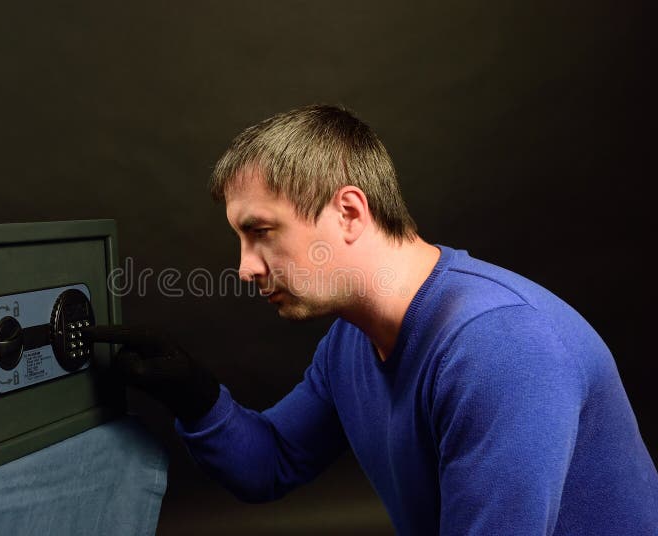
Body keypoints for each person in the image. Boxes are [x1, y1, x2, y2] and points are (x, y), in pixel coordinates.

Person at [109, 105, 658, 534]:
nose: (246, 268)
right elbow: (270, 463)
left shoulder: (502, 346)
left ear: (349, 213)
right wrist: (193, 393)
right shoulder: (352, 341)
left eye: (261, 232)